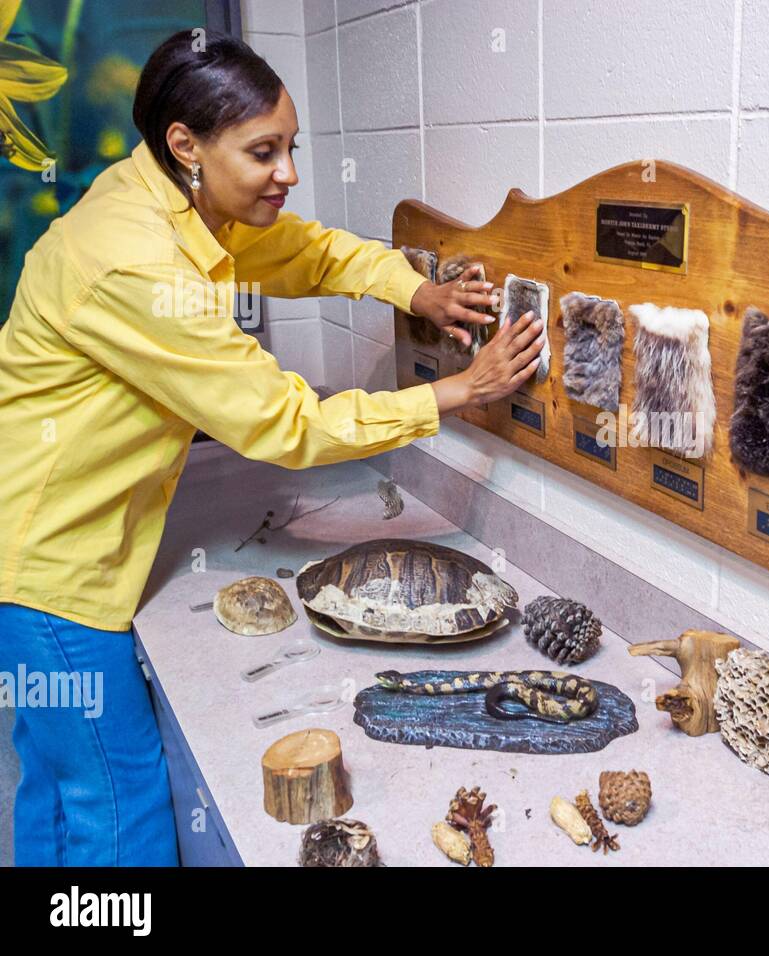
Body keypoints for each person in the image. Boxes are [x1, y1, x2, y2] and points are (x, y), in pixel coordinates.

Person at [0, 30, 542, 866]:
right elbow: (283, 424)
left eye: (291, 147)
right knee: (117, 799)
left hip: (34, 545)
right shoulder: (136, 261)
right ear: (187, 145)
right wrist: (457, 392)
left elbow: (302, 251)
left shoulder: (167, 197)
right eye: (263, 152)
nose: (287, 172)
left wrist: (415, 290)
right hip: (49, 576)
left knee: (58, 787)